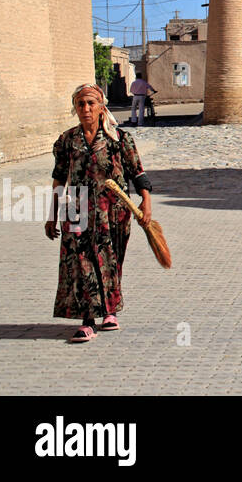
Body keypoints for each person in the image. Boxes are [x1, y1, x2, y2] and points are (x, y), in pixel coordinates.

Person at [45, 83, 153, 343]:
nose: (85, 109)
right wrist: (52, 214)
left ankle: (110, 311)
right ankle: (87, 320)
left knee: (110, 261)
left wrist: (145, 203)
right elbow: (59, 179)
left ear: (101, 106)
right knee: (81, 265)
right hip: (76, 208)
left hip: (112, 210)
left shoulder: (119, 139)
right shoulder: (67, 141)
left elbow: (138, 173)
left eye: (90, 103)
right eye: (80, 104)